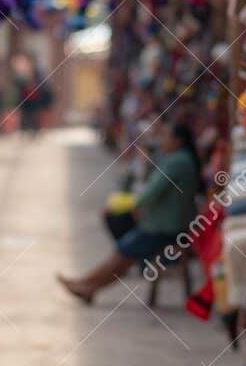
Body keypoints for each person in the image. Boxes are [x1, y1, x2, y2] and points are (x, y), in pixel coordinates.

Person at [59, 121, 204, 303]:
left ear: (178, 141)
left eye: (167, 137)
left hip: (166, 229)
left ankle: (87, 285)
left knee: (124, 251)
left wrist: (135, 205)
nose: (163, 141)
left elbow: (151, 191)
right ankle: (87, 284)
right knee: (125, 250)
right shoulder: (181, 159)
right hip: (168, 224)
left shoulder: (177, 162)